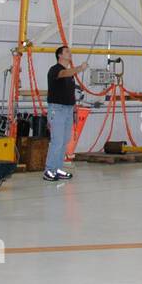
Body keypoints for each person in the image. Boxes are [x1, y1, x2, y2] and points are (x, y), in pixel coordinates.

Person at [44, 45, 84, 182]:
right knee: (57, 141)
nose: (70, 53)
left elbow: (70, 94)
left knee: (65, 141)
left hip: (68, 110)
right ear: (59, 55)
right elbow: (63, 74)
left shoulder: (70, 75)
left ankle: (58, 168)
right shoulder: (55, 70)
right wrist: (79, 69)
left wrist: (74, 111)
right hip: (57, 109)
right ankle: (49, 170)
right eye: (67, 51)